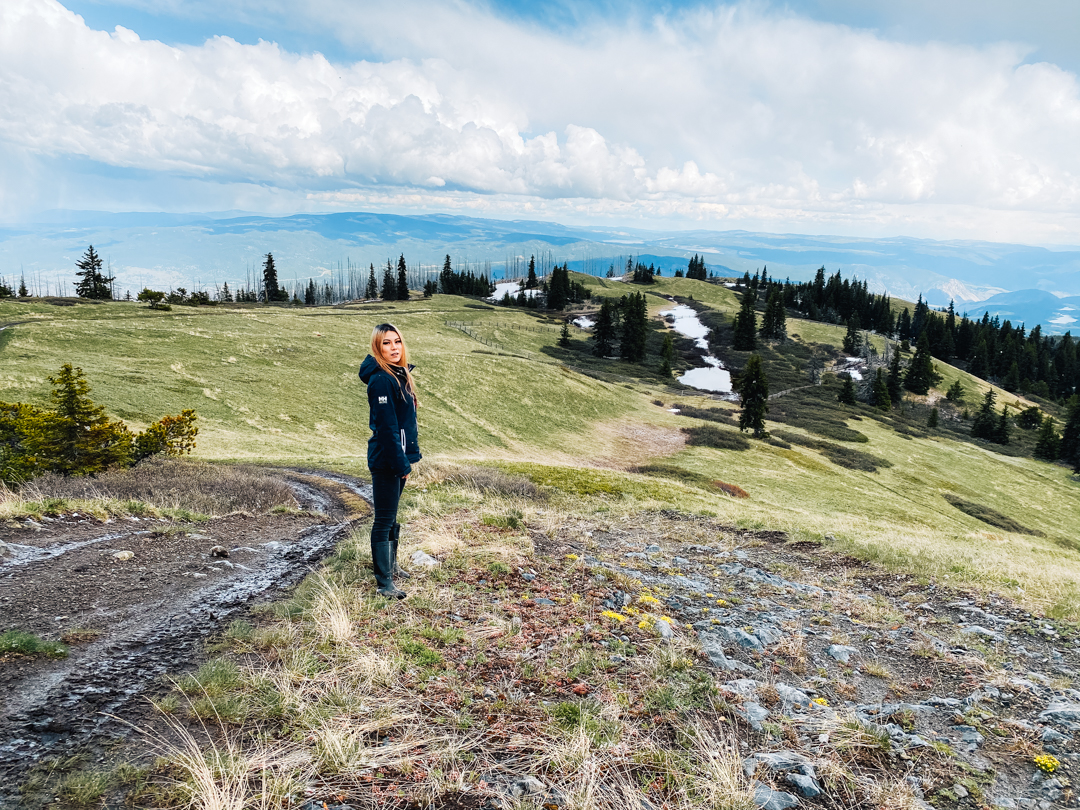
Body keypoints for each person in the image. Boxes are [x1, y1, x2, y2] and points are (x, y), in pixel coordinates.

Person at [358, 323, 421, 599]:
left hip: (398, 457)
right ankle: (384, 583)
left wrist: (407, 458)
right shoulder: (382, 380)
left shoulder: (399, 373)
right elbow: (386, 429)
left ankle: (392, 568)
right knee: (383, 520)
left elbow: (404, 422)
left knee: (392, 515)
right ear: (377, 347)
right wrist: (400, 464)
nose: (394, 348)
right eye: (386, 343)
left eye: (397, 341)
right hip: (387, 460)